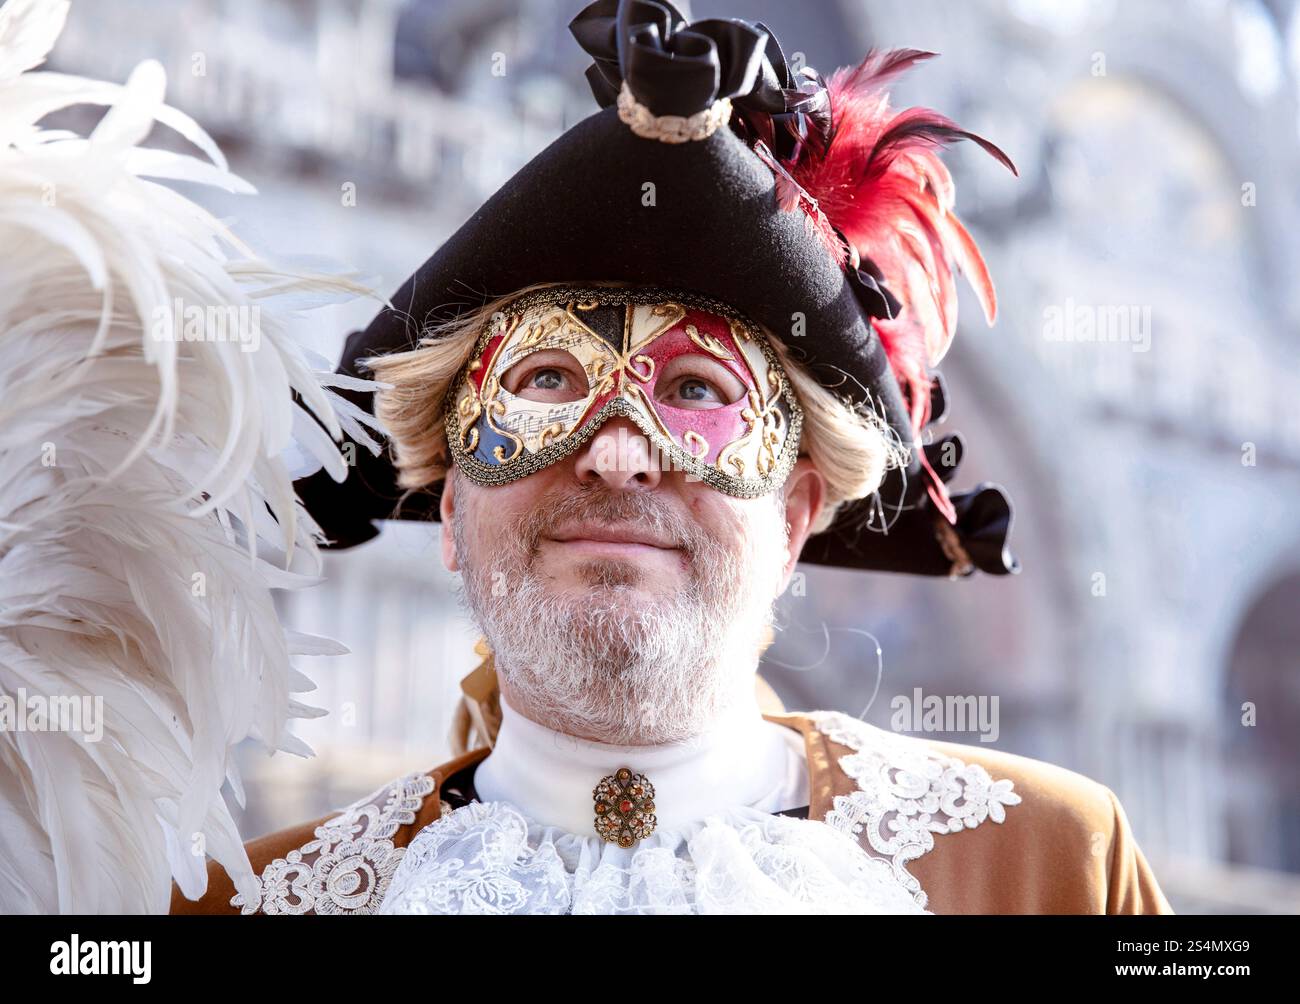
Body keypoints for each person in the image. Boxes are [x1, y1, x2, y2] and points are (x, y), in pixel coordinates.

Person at [168, 0, 1173, 915]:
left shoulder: (1052, 870)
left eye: (696, 391)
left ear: (792, 519)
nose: (614, 454)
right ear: (446, 508)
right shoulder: (242, 906)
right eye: (547, 382)